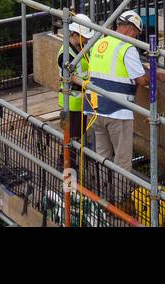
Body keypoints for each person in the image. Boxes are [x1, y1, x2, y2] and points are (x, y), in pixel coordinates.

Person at [84, 11, 149, 171]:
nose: (135, 38)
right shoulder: (127, 47)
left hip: (95, 109)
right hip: (118, 112)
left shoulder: (99, 43)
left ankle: (103, 193)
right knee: (123, 161)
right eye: (137, 34)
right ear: (131, 29)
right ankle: (121, 195)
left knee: (102, 157)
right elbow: (141, 80)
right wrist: (154, 78)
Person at [57, 13, 95, 146]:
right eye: (84, 37)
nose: (86, 40)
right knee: (71, 140)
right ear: (74, 34)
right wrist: (87, 84)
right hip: (71, 103)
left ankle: (74, 164)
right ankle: (66, 165)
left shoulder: (81, 48)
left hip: (81, 101)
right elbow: (69, 76)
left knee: (78, 137)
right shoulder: (66, 53)